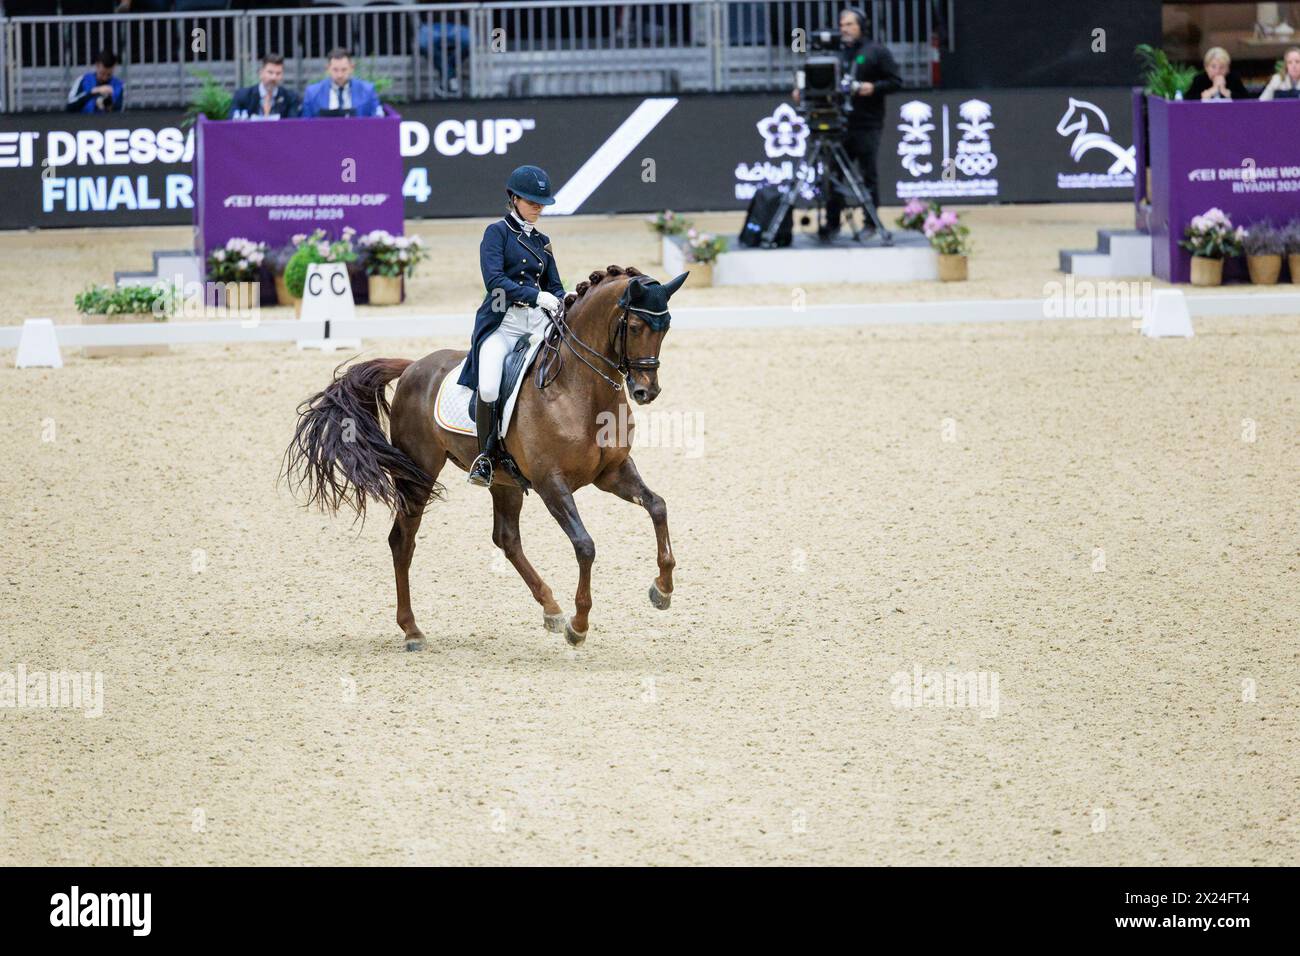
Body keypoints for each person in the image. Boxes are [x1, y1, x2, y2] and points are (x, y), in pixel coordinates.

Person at [458, 165, 565, 488]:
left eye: (541, 202)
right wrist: (537, 296)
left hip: (537, 325)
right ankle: (486, 457)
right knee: (490, 387)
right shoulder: (497, 233)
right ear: (514, 198)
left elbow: (555, 285)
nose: (538, 207)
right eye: (532, 201)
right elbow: (495, 282)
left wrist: (562, 299)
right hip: (503, 324)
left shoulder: (543, 241)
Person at [795, 9, 901, 240]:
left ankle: (871, 223)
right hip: (837, 123)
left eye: (850, 24)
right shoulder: (835, 54)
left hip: (867, 123)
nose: (844, 28)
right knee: (832, 175)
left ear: (861, 26)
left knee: (867, 174)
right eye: (842, 24)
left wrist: (872, 88)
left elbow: (895, 82)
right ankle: (832, 224)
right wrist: (804, 92)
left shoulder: (876, 52)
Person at [300, 48, 383, 118]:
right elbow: (305, 123)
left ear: (352, 68)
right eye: (335, 70)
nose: (340, 75)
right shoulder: (312, 92)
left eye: (344, 70)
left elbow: (378, 120)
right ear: (328, 68)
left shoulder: (368, 90)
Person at [231, 53, 300, 118]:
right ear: (261, 73)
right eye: (270, 72)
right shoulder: (243, 96)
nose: (273, 77)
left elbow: (293, 126)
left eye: (278, 73)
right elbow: (232, 123)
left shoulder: (290, 98)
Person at [66, 50, 123, 114]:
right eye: (102, 73)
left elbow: (118, 112)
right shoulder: (83, 80)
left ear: (114, 67)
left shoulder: (118, 85)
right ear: (97, 65)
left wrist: (109, 106)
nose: (105, 78)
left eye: (109, 74)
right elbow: (70, 106)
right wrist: (92, 92)